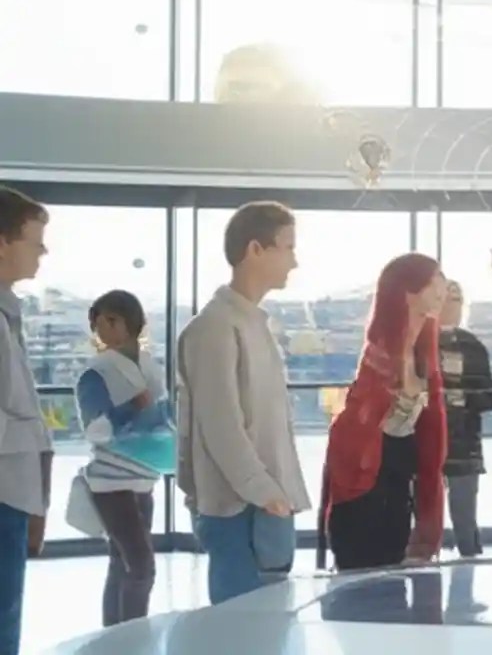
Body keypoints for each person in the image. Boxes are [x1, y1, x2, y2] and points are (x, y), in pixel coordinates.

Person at [177, 201, 310, 605]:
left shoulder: (252, 322)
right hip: (242, 509)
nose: (295, 261)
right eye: (287, 247)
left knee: (270, 631)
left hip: (266, 506)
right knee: (242, 635)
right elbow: (221, 426)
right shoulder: (215, 327)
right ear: (256, 249)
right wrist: (265, 492)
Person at [321, 254, 449, 571]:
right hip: (366, 475)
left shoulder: (424, 346)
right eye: (437, 279)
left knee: (393, 563)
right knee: (363, 565)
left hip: (398, 472)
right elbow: (359, 421)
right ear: (410, 291)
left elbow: (430, 420)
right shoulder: (381, 353)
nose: (444, 288)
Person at [75, 290, 173, 625]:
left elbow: (164, 417)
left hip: (144, 476)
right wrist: (136, 411)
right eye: (98, 323)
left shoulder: (150, 366)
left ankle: (116, 638)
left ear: (132, 322)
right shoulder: (95, 373)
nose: (104, 329)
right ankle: (131, 637)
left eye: (112, 320)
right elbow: (96, 428)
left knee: (123, 562)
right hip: (110, 482)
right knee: (140, 564)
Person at [0, 186, 51, 655]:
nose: (42, 251)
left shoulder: (8, 312)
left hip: (12, 493)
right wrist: (34, 432)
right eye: (34, 241)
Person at [438, 280, 492, 560]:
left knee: (464, 511)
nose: (453, 306)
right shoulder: (415, 342)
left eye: (457, 300)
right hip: (426, 438)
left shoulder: (473, 345)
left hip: (464, 439)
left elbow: (486, 396)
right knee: (425, 510)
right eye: (447, 299)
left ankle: (469, 556)